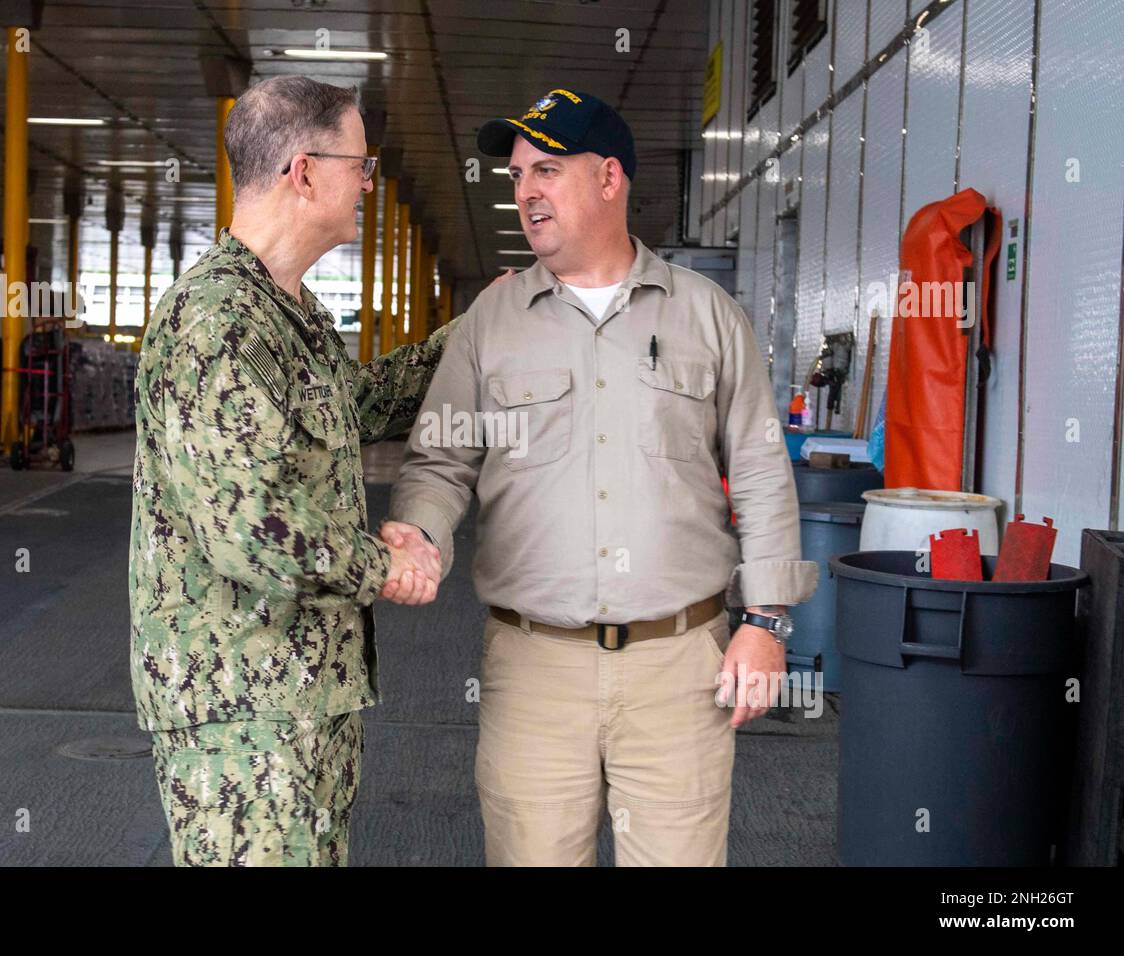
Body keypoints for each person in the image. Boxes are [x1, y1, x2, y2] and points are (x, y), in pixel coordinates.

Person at [383, 88, 819, 866]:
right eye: (516, 176)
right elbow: (443, 459)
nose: (525, 193)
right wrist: (417, 533)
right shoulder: (493, 321)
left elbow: (758, 471)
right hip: (533, 669)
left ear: (609, 179)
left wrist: (767, 623)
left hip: (679, 665)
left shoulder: (708, 316)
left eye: (546, 170)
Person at [129, 75, 445, 867]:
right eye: (361, 165)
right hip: (241, 704)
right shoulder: (220, 322)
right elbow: (255, 532)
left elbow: (358, 404)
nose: (370, 184)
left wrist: (477, 337)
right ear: (304, 171)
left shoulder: (284, 311)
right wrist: (389, 566)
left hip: (301, 689)